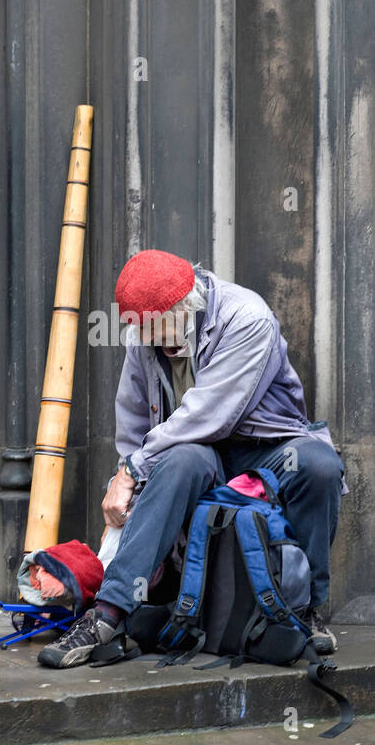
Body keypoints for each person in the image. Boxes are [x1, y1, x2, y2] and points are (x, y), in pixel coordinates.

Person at [38, 249, 348, 669]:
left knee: (320, 465)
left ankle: (305, 610)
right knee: (183, 460)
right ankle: (108, 614)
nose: (152, 343)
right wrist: (128, 475)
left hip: (268, 447)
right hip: (198, 453)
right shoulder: (144, 335)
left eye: (158, 330)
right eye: (142, 333)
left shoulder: (247, 318)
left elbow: (210, 415)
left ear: (187, 307)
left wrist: (132, 471)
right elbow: (133, 423)